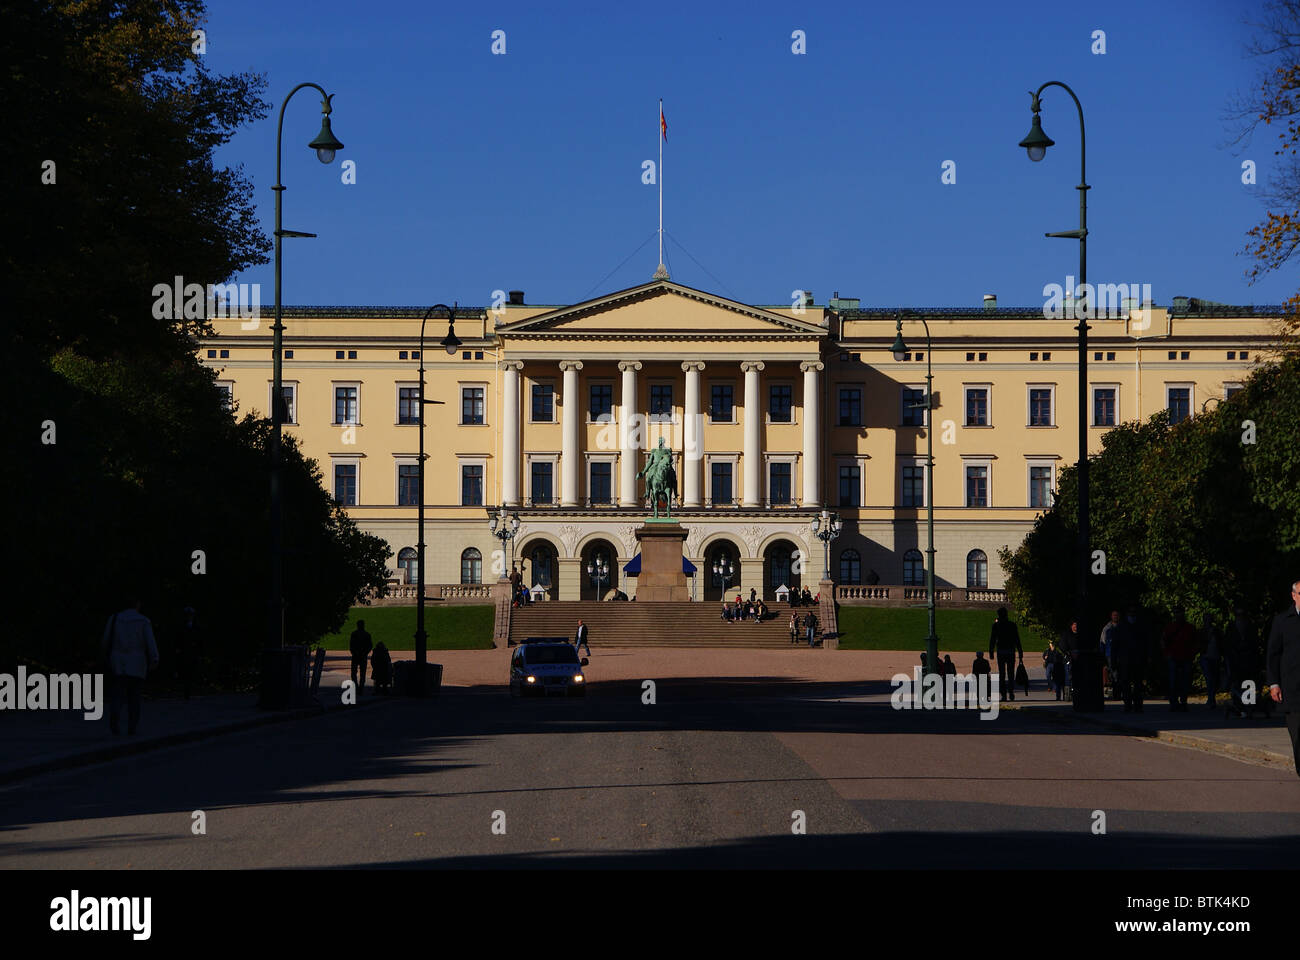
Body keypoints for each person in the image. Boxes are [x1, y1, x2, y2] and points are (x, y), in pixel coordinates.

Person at [101, 598, 159, 735]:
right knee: (134, 697)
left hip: (118, 662)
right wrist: (154, 660)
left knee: (118, 694)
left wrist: (105, 657)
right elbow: (150, 643)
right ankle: (132, 726)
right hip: (137, 662)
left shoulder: (114, 619)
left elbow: (105, 640)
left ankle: (115, 717)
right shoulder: (143, 621)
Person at [1266, 578, 1300, 777]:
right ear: (1294, 595)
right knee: (1297, 736)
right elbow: (1273, 654)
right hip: (1292, 688)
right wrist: (1274, 683)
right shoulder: (1282, 621)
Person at [1112, 605, 1148, 713]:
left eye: (1133, 613)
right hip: (1125, 659)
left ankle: (1137, 704)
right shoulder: (1121, 626)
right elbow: (1115, 644)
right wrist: (1114, 660)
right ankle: (1128, 704)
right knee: (1126, 683)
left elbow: (1146, 643)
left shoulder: (1140, 625)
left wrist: (1146, 657)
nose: (1132, 615)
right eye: (1130, 613)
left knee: (1138, 683)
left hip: (1137, 659)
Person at [1225, 605, 1259, 718]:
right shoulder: (1231, 627)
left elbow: (1255, 643)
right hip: (1236, 660)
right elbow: (1228, 644)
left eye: (1242, 615)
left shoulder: (1251, 627)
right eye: (1238, 615)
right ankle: (1239, 707)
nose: (1240, 618)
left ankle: (1249, 707)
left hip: (1249, 660)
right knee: (1237, 684)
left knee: (1249, 684)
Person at [1161, 605, 1196, 711]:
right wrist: (1166, 654)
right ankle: (1174, 702)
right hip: (1173, 656)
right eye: (1176, 612)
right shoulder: (1170, 627)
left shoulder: (1189, 627)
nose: (1177, 615)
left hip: (1186, 657)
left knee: (1185, 681)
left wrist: (1192, 654)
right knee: (1173, 681)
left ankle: (1183, 701)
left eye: (1179, 612)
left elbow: (1195, 642)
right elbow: (1163, 641)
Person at [988, 607, 1023, 702]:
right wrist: (1020, 651)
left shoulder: (996, 625)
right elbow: (1017, 639)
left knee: (1002, 674)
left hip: (1001, 651)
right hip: (1010, 651)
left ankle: (1004, 694)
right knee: (1010, 674)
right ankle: (1010, 692)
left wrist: (991, 651)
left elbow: (993, 639)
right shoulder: (1012, 625)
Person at [175, 605, 202, 700]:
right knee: (185, 672)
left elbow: (200, 640)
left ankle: (190, 690)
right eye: (188, 615)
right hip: (184, 652)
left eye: (190, 615)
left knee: (191, 671)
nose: (189, 617)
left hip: (192, 652)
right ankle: (187, 691)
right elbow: (178, 639)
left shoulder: (196, 627)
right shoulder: (181, 627)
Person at [1199, 612, 1224, 710]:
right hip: (1206, 657)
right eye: (1206, 619)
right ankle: (1211, 699)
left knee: (1215, 679)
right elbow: (1199, 644)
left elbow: (1222, 643)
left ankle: (1211, 697)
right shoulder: (1202, 631)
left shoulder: (1217, 631)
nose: (1207, 621)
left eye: (1209, 619)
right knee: (1209, 679)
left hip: (1216, 657)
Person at [1100, 609, 1121, 698]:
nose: (1115, 616)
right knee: (1114, 673)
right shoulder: (1107, 628)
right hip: (1110, 654)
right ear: (1111, 616)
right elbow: (1102, 642)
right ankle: (1116, 693)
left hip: (1121, 653)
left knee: (1120, 673)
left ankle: (1119, 692)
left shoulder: (1122, 627)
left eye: (1117, 615)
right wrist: (1103, 655)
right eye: (1114, 615)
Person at [350, 620, 373, 694]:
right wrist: (365, 652)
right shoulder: (366, 634)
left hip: (356, 655)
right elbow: (370, 646)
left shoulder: (354, 634)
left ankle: (357, 687)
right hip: (362, 656)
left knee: (354, 673)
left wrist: (354, 652)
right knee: (362, 673)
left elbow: (351, 645)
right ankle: (360, 688)